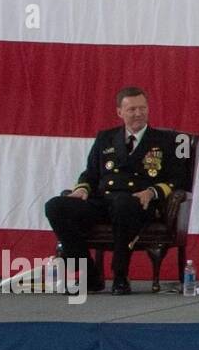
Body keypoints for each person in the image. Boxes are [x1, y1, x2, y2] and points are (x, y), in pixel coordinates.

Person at [45, 86, 184, 295]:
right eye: (132, 109)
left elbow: (178, 178)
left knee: (123, 204)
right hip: (103, 201)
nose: (138, 113)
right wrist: (81, 189)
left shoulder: (166, 141)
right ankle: (90, 275)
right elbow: (90, 173)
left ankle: (120, 275)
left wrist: (152, 192)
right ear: (120, 112)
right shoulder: (105, 138)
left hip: (139, 203)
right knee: (55, 206)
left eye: (142, 108)